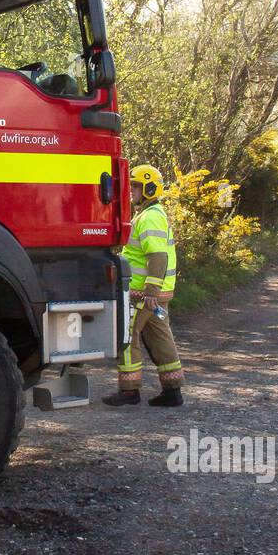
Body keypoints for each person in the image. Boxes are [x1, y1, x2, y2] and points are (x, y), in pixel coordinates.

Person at [102, 163, 184, 408]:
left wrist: (150, 292)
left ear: (149, 188)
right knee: (160, 337)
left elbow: (157, 257)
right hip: (157, 295)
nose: (132, 191)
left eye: (136, 187)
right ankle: (173, 391)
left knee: (128, 335)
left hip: (144, 295)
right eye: (133, 186)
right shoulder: (153, 215)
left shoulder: (149, 218)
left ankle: (129, 391)